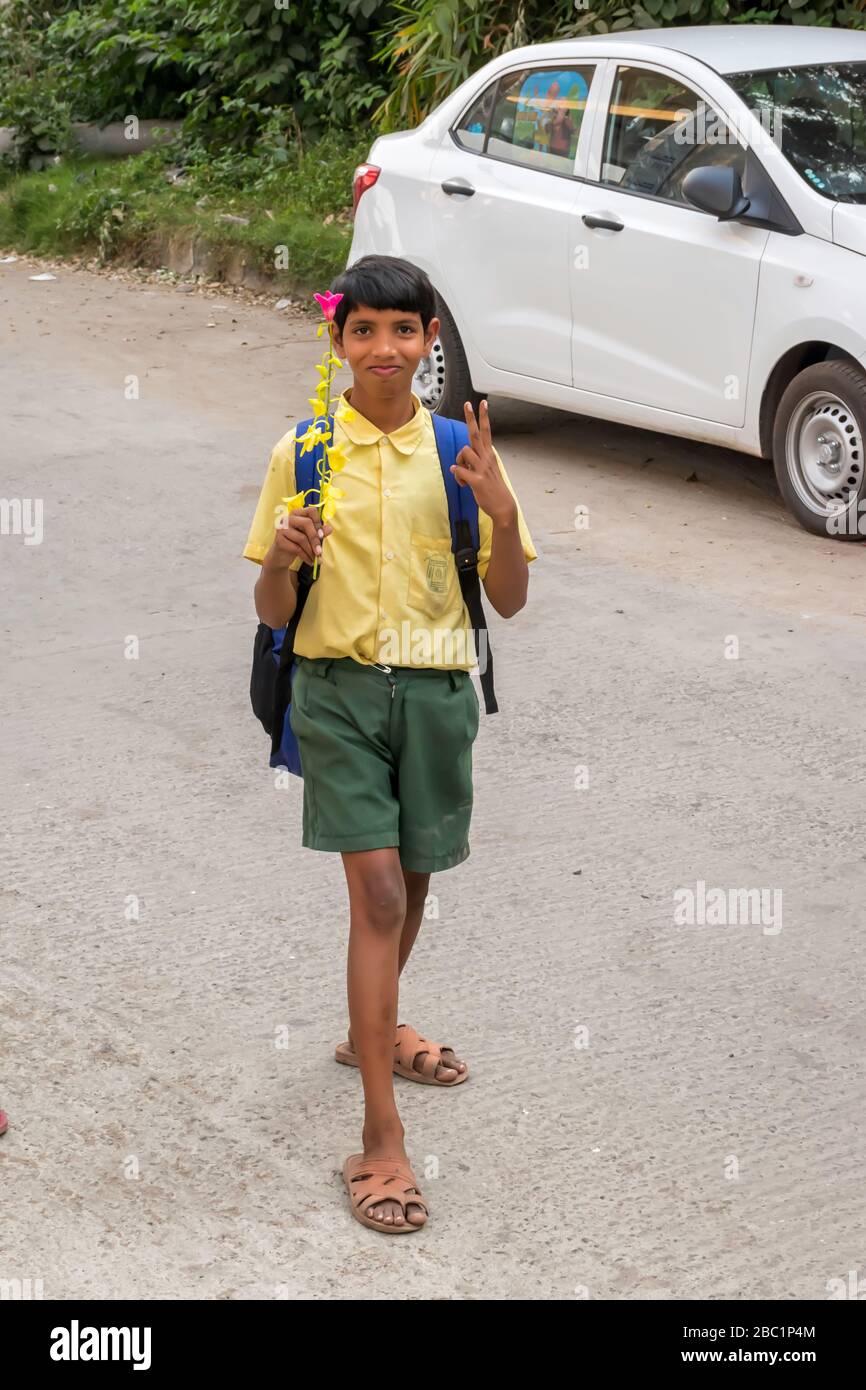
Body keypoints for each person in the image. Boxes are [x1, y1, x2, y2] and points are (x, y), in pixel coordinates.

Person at [243, 254, 536, 1233]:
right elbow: (271, 608)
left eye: (401, 331)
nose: (382, 348)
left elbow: (506, 598)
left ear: (429, 342)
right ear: (338, 343)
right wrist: (282, 560)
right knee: (374, 892)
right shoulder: (304, 451)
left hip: (437, 694)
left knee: (412, 883)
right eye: (361, 330)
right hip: (334, 693)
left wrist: (496, 510)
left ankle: (368, 1028)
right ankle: (379, 1137)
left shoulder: (459, 448)